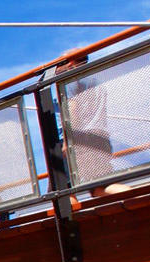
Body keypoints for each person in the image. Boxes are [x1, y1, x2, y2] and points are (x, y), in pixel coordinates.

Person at [53, 52, 131, 198]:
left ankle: (140, 198)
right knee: (100, 188)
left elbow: (72, 111)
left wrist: (68, 142)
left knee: (65, 194)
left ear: (70, 63)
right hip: (100, 138)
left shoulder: (70, 81)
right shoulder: (95, 82)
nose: (55, 68)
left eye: (59, 63)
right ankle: (137, 196)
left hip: (79, 140)